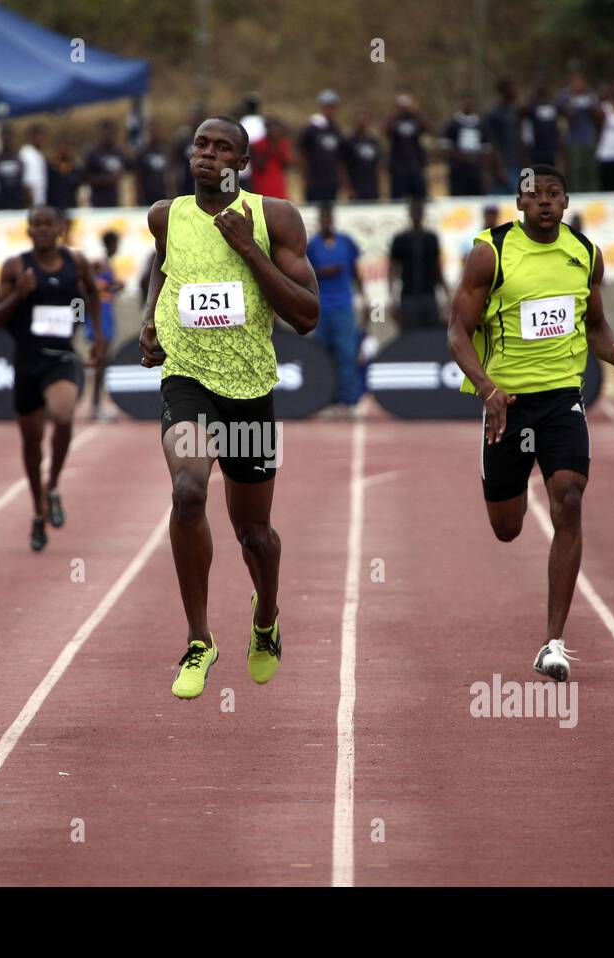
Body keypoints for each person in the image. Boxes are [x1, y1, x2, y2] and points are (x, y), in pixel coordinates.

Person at [137, 116, 319, 700]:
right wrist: (149, 319)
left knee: (254, 532)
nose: (208, 155)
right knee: (188, 491)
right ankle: (199, 639)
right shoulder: (166, 215)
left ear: (241, 162)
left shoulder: (275, 219)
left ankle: (265, 616)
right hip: (188, 382)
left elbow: (306, 315)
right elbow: (164, 270)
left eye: (222, 149)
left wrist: (249, 249)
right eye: (200, 145)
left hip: (250, 390)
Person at [446, 164, 614, 682]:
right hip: (507, 404)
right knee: (507, 528)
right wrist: (488, 390)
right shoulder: (490, 252)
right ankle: (503, 486)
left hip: (563, 399)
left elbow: (595, 323)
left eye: (553, 194)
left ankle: (553, 642)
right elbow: (457, 332)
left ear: (566, 203)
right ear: (519, 204)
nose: (543, 202)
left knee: (570, 498)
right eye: (533, 195)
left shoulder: (584, 254)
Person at [0, 205, 103, 551]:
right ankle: (38, 509)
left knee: (65, 414)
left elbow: (94, 293)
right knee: (31, 442)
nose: (41, 229)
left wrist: (98, 334)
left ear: (59, 229)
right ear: (28, 231)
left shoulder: (76, 263)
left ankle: (53, 484)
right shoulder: (15, 267)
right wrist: (16, 295)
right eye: (34, 224)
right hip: (27, 361)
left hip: (62, 357)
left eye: (47, 223)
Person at [306, 203, 364, 415]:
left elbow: (356, 272)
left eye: (328, 218)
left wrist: (365, 299)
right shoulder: (312, 245)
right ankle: (328, 401)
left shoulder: (346, 243)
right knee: (324, 354)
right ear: (319, 221)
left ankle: (350, 402)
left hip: (344, 306)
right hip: (322, 307)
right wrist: (324, 272)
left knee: (347, 354)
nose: (326, 222)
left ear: (333, 220)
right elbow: (306, 273)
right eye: (322, 219)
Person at [389, 198, 448, 330]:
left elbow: (437, 268)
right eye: (414, 211)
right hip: (408, 294)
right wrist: (392, 300)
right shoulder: (400, 240)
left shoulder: (431, 239)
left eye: (419, 211)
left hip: (428, 293)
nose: (417, 215)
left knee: (432, 333)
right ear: (409, 214)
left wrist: (446, 294)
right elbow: (393, 270)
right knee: (409, 335)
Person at [88, 230, 124, 420]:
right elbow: (93, 288)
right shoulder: (100, 265)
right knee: (100, 362)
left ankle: (98, 403)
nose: (118, 248)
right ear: (109, 244)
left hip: (107, 317)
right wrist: (114, 287)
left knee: (104, 362)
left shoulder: (108, 265)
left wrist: (115, 287)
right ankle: (95, 406)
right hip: (100, 318)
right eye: (116, 244)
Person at [299, 90, 345, 203]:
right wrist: (305, 177)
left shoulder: (335, 129)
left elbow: (339, 158)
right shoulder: (312, 129)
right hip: (315, 179)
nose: (330, 110)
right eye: (327, 106)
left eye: (332, 107)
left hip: (331, 179)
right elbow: (304, 153)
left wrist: (340, 178)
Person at [442, 95, 489, 197]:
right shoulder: (453, 123)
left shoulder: (480, 124)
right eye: (465, 103)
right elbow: (446, 147)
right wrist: (462, 157)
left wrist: (482, 167)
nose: (468, 106)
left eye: (470, 103)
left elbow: (486, 148)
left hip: (476, 170)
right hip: (458, 170)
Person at [386, 92, 428, 200]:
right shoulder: (394, 119)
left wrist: (415, 112)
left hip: (416, 165)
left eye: (406, 106)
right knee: (397, 198)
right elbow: (386, 131)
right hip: (398, 167)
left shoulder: (415, 118)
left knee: (420, 197)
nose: (404, 109)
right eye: (402, 106)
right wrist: (396, 114)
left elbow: (427, 127)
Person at [83, 120, 127, 208]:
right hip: (97, 202)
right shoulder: (93, 153)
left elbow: (123, 171)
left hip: (114, 200)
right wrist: (106, 179)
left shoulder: (118, 152)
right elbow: (86, 177)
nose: (108, 136)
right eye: (106, 133)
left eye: (111, 133)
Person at [343, 109, 382, 201]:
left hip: (372, 188)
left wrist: (379, 187)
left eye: (364, 120)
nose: (362, 123)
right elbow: (344, 167)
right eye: (359, 120)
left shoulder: (373, 141)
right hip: (356, 189)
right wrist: (348, 189)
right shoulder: (349, 141)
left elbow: (377, 165)